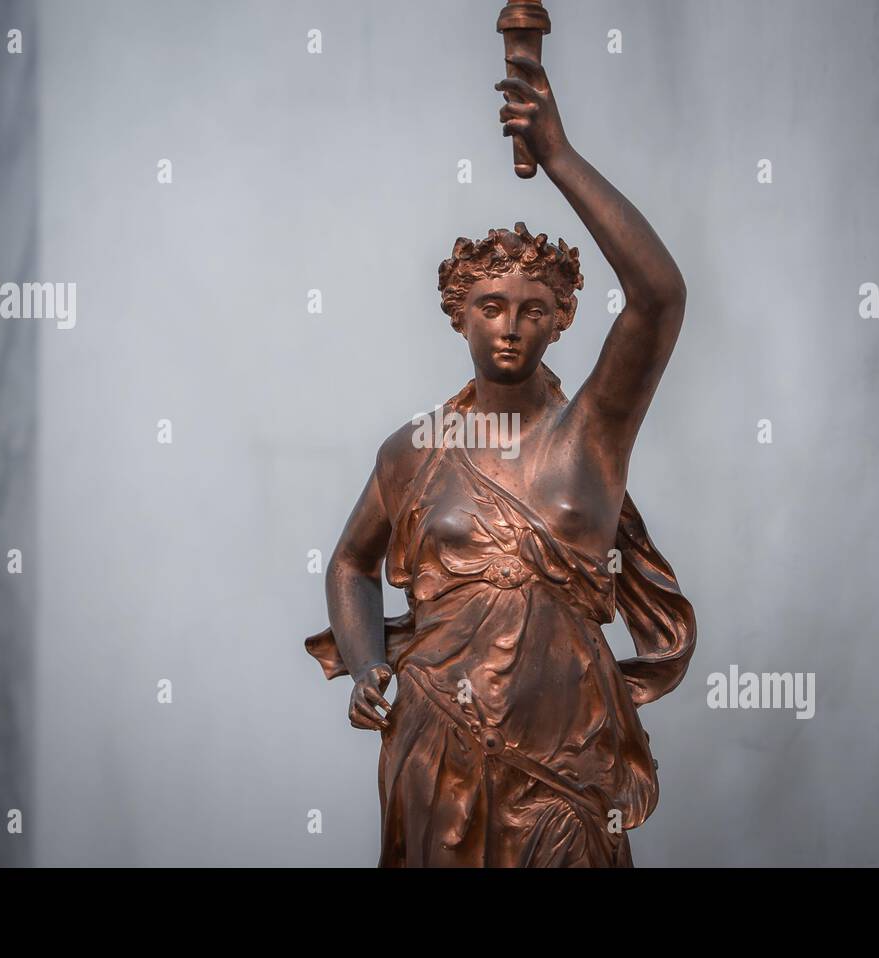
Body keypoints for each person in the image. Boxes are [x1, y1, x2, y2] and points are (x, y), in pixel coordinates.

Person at [305, 54, 696, 867]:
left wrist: (557, 155)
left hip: (565, 758)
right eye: (490, 306)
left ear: (560, 322)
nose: (510, 326)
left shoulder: (591, 434)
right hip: (437, 744)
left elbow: (659, 295)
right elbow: (350, 562)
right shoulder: (414, 450)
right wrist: (368, 666)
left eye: (533, 310)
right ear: (459, 315)